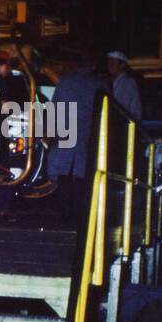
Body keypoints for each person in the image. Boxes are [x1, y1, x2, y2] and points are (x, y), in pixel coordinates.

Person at [44, 55, 107, 218]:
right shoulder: (100, 84)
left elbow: (54, 109)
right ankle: (78, 214)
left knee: (63, 175)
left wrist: (47, 134)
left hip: (66, 135)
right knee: (82, 177)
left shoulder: (65, 82)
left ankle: (62, 212)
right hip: (88, 137)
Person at [106, 50, 143, 123]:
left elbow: (121, 108)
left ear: (122, 65)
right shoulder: (109, 81)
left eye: (113, 63)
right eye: (109, 62)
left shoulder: (127, 83)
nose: (110, 66)